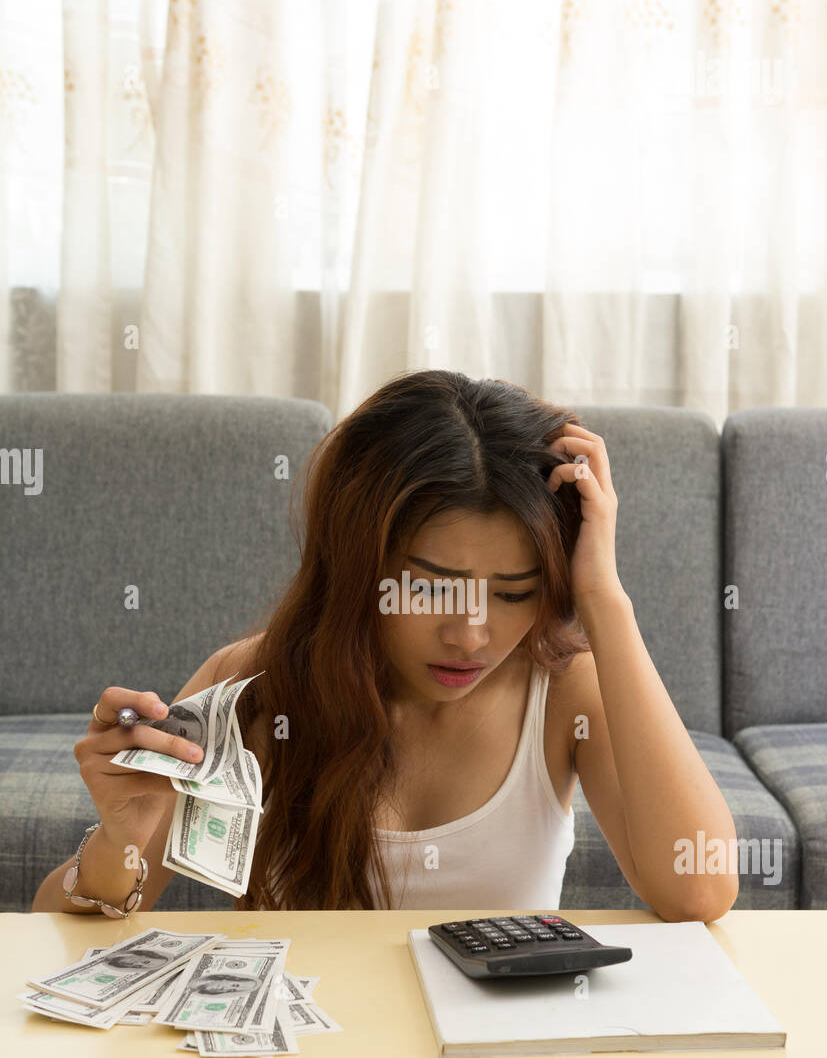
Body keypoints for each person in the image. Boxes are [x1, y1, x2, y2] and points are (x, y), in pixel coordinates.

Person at [33, 370, 739, 920]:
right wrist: (121, 837)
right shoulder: (255, 687)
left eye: (515, 592)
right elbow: (57, 923)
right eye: (431, 588)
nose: (471, 633)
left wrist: (603, 599)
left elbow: (697, 892)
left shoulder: (565, 691)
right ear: (358, 566)